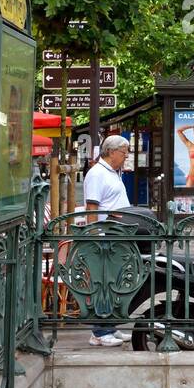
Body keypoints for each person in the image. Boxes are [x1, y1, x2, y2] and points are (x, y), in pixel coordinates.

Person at [83, 134, 133, 347]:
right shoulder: (97, 174)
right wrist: (95, 237)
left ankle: (109, 327)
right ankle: (100, 331)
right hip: (103, 238)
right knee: (102, 283)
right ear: (112, 152)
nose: (126, 157)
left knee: (111, 283)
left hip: (114, 236)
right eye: (124, 153)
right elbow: (91, 208)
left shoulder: (111, 172)